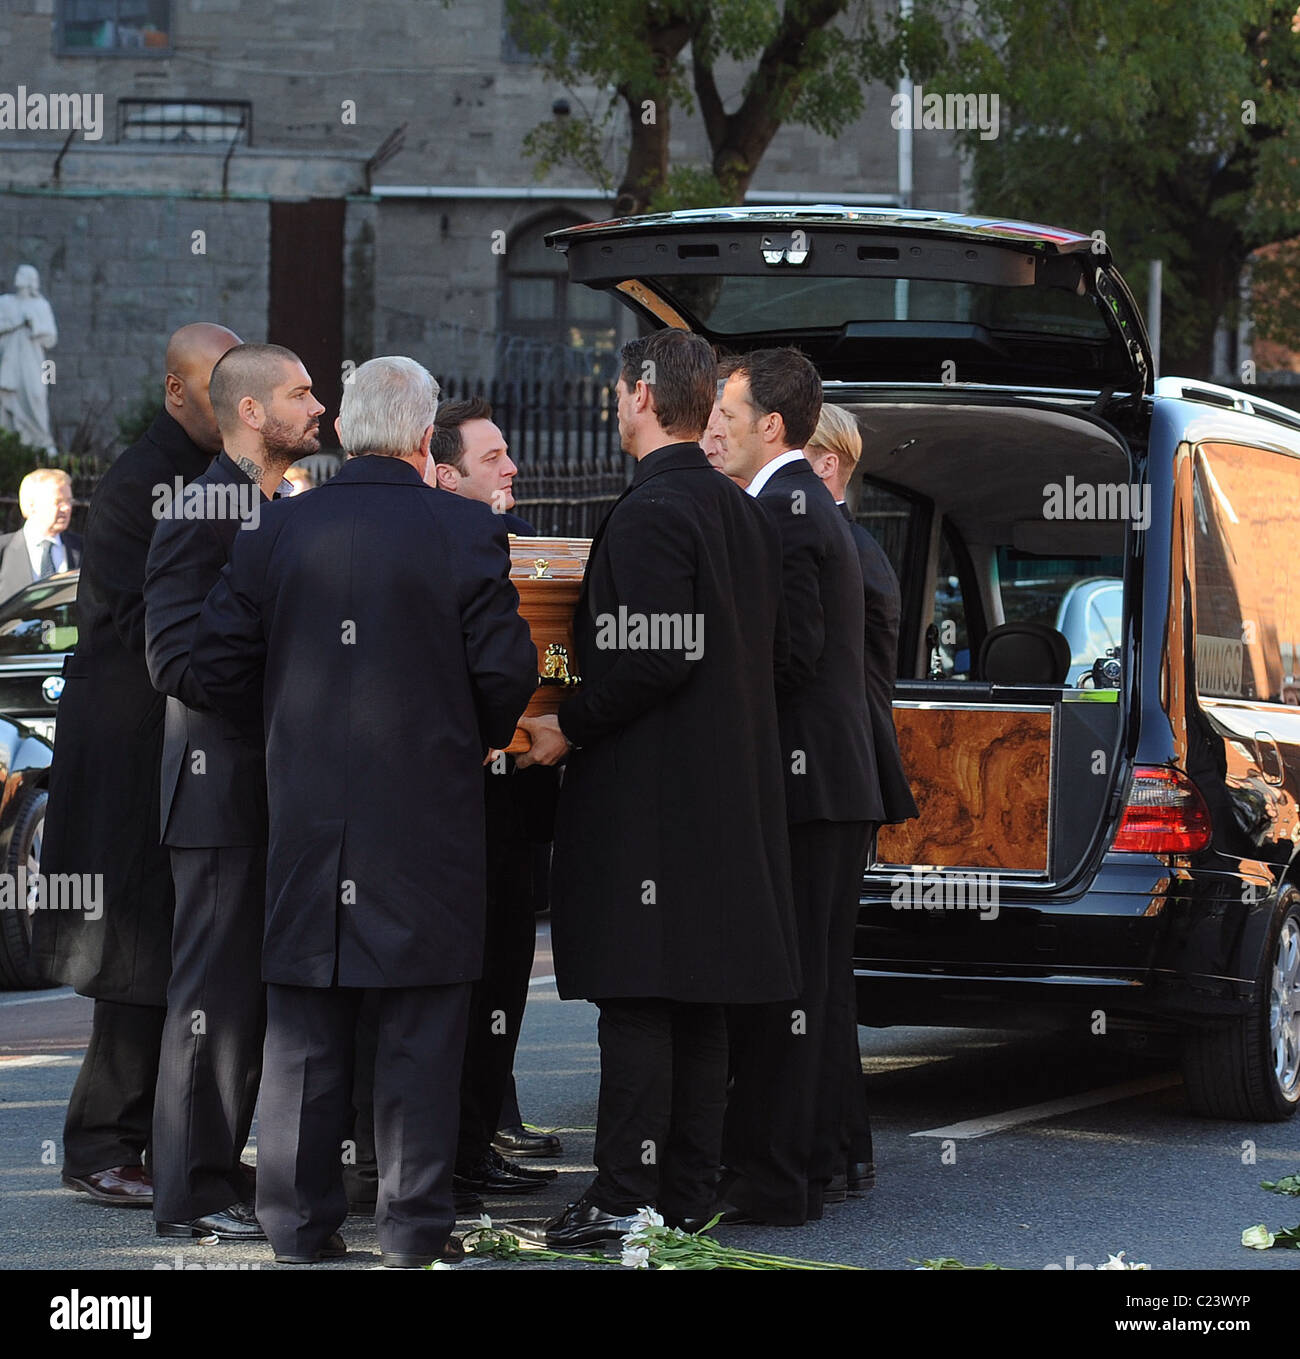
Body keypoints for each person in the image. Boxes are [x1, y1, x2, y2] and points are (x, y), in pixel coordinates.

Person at [188, 356, 536, 1267]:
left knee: (306, 1026)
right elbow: (505, 670)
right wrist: (468, 735)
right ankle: (414, 1230)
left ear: (345, 429)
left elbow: (215, 664)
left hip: (309, 817)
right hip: (427, 819)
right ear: (428, 439)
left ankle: (299, 1227)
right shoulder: (465, 532)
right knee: (421, 1029)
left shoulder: (276, 529)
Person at [514, 329, 798, 1249]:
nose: (614, 403)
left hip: (654, 806)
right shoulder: (741, 510)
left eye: (617, 388)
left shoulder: (650, 511)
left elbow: (653, 657)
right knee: (699, 1001)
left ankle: (623, 1192)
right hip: (726, 800)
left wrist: (569, 721)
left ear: (641, 393)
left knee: (639, 1000)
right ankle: (681, 1193)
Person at [30, 322, 240, 1209]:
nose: (232, 398)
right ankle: (100, 1143)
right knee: (135, 956)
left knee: (166, 954)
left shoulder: (204, 477)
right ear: (176, 392)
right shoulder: (142, 486)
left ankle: (155, 1141)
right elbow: (151, 630)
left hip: (168, 751)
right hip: (131, 756)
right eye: (214, 382)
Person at [143, 344, 324, 1243]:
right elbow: (172, 660)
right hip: (218, 795)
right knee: (208, 1003)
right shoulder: (205, 508)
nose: (319, 406)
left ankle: (218, 1169)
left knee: (243, 1002)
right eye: (299, 394)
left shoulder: (268, 504)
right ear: (251, 413)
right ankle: (192, 1193)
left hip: (267, 793)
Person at [714, 347, 882, 1227]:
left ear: (770, 427)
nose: (714, 432)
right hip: (830, 783)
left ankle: (776, 1179)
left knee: (787, 987)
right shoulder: (801, 501)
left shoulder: (782, 508)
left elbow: (789, 656)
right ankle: (808, 1161)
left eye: (726, 418)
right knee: (810, 984)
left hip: (804, 782)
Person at [428, 398, 562, 1190]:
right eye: (493, 458)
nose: (511, 467)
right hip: (457, 803)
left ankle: (480, 1136)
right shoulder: (436, 547)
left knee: (506, 973)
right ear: (445, 475)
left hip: (517, 804)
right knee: (463, 983)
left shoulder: (515, 545)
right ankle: (456, 1152)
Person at [805, 401, 919, 1198]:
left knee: (816, 977)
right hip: (854, 778)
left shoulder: (840, 546)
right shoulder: (862, 547)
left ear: (826, 464)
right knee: (828, 976)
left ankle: (826, 1147)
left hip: (835, 782)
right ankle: (843, 1147)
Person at [0, 265, 59, 454]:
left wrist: (34, 324)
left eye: (21, 274)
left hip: (32, 361)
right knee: (6, 398)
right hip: (8, 359)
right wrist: (16, 323)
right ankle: (9, 441)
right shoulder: (5, 302)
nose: (17, 276)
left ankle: (41, 441)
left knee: (35, 395)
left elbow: (51, 338)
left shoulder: (40, 306)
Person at [0, 468, 82, 603]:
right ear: (31, 505)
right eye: (58, 501)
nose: (67, 508)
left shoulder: (82, 548)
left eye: (69, 501)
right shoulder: (3, 551)